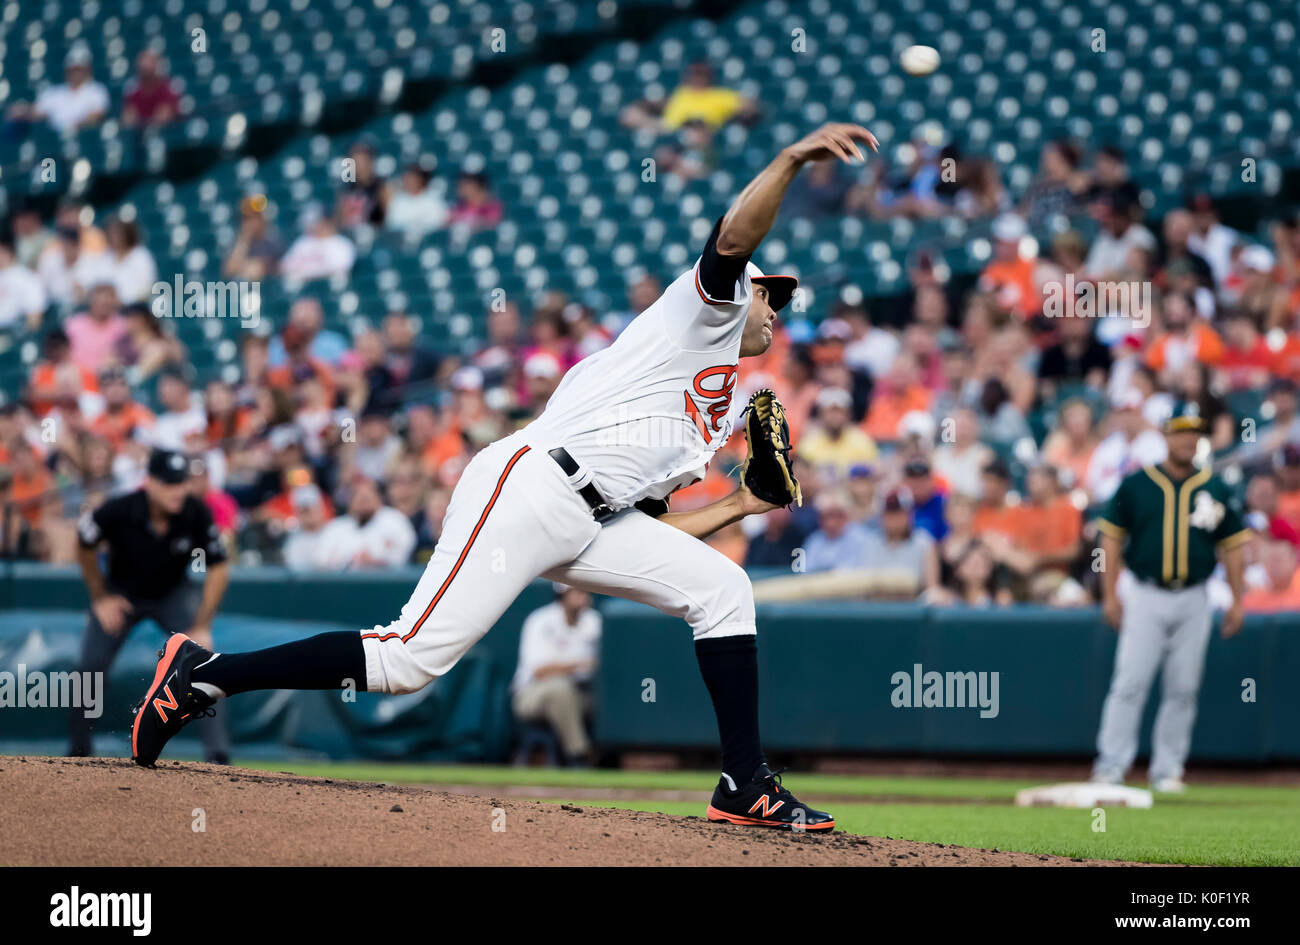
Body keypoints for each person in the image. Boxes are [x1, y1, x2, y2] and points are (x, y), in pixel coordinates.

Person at [129, 122, 883, 833]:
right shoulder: (700, 320)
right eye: (768, 292)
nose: (775, 305)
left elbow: (646, 531)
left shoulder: (709, 424)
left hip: (587, 517)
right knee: (404, 661)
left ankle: (741, 783)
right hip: (531, 486)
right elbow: (732, 239)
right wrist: (790, 160)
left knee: (721, 590)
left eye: (781, 297)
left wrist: (742, 501)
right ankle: (205, 674)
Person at [1091, 403, 1251, 792]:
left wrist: (1237, 599)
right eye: (1180, 431)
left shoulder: (1215, 486)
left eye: (1195, 432)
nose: (1188, 439)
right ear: (1165, 435)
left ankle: (1167, 770)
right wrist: (1109, 594)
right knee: (1131, 681)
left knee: (1183, 687)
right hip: (1146, 592)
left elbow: (1232, 547)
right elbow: (1110, 539)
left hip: (1195, 595)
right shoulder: (1136, 484)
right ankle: (1111, 766)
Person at [72, 449, 231, 761]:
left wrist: (202, 624)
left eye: (182, 482)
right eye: (169, 483)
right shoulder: (119, 510)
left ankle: (218, 756)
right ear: (150, 483)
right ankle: (78, 751)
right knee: (89, 667)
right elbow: (83, 543)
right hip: (122, 594)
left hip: (172, 594)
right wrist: (101, 597)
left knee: (206, 662)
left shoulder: (195, 512)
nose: (178, 490)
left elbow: (220, 568)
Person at [511, 585, 601, 766]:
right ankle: (580, 754)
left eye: (586, 592)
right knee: (560, 688)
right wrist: (579, 664)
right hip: (532, 693)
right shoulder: (541, 619)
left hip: (581, 692)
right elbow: (540, 670)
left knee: (578, 693)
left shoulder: (593, 620)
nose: (585, 597)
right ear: (563, 594)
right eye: (579, 592)